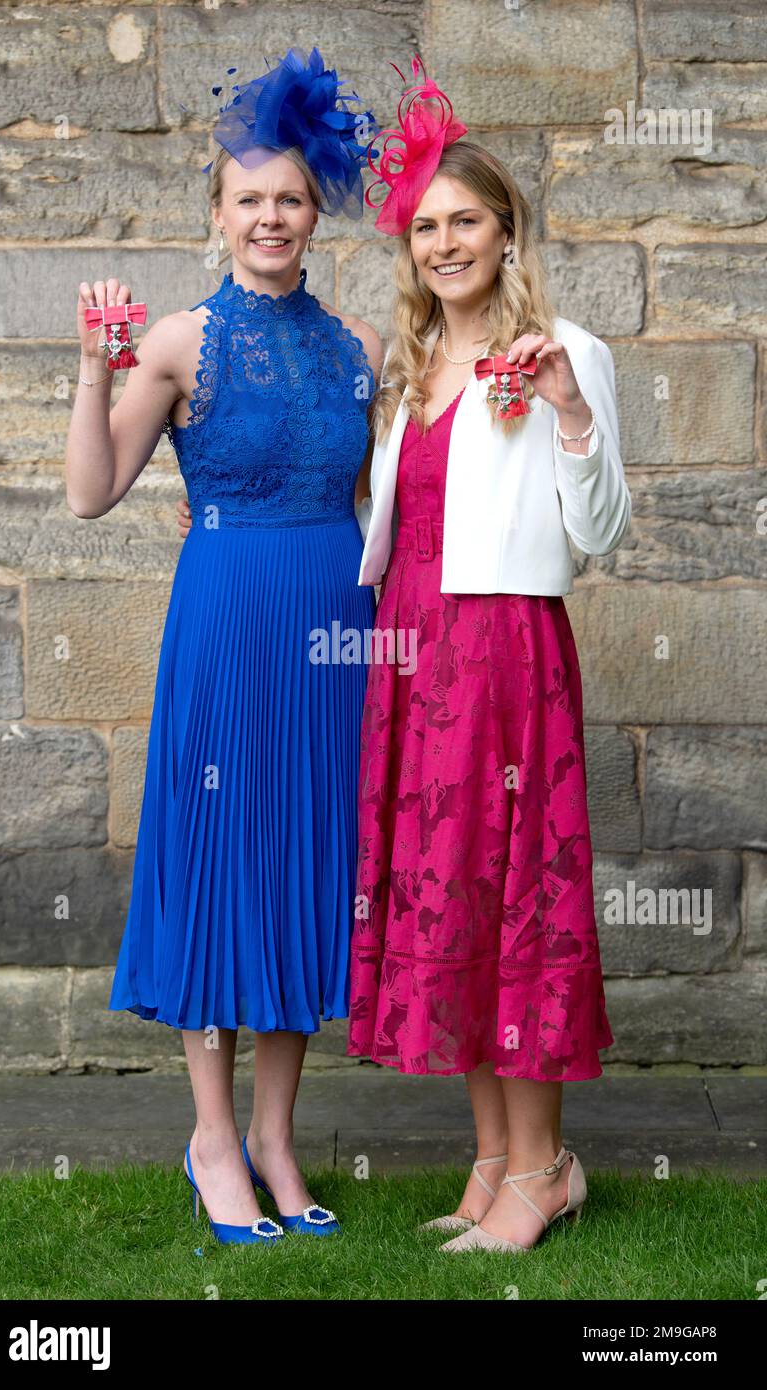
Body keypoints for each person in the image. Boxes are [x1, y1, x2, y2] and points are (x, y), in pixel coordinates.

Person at [65, 46, 383, 1246]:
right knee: (219, 869)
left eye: (289, 198)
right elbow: (92, 493)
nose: (269, 216)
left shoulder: (356, 346)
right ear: (217, 212)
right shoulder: (180, 341)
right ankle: (211, 1137)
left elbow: (392, 502)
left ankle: (276, 1139)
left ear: (316, 213)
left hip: (328, 636)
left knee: (304, 868)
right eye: (247, 197)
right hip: (224, 627)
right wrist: (87, 377)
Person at [347, 56, 630, 1253]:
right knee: (453, 901)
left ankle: (546, 1167)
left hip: (505, 655)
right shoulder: (411, 369)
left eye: (465, 221)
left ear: (507, 231)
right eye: (425, 227)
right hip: (414, 661)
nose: (444, 243)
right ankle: (491, 1160)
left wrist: (568, 412)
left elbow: (600, 529)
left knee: (517, 903)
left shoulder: (564, 346)